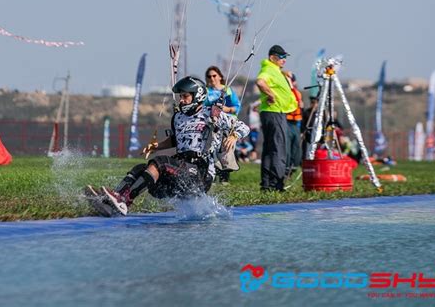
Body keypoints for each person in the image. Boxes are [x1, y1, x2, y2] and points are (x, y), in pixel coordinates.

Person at [85, 76, 249, 216]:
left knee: (160, 163)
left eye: (185, 96)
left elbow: (243, 127)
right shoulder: (178, 117)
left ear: (197, 95)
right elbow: (176, 141)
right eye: (180, 97)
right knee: (140, 168)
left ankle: (124, 202)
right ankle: (114, 198)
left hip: (199, 174)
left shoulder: (211, 114)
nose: (181, 100)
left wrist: (234, 136)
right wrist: (156, 146)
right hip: (180, 172)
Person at [255, 44, 297, 192]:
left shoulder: (274, 70)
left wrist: (284, 74)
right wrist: (270, 94)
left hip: (271, 112)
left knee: (269, 149)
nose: (284, 60)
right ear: (272, 57)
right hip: (274, 112)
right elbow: (260, 81)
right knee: (279, 148)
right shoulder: (268, 69)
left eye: (285, 57)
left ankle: (266, 184)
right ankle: (276, 185)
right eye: (281, 57)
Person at [204, 65, 241, 183]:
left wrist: (227, 110)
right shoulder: (205, 91)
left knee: (225, 149)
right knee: (212, 149)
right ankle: (212, 175)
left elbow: (236, 107)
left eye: (214, 75)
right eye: (209, 76)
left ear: (220, 76)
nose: (212, 78)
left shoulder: (227, 90)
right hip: (212, 123)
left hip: (226, 123)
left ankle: (225, 178)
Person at [284, 73, 303, 176]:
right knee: (287, 148)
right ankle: (286, 169)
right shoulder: (285, 93)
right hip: (286, 122)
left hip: (296, 124)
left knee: (296, 148)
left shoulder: (297, 93)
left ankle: (293, 167)